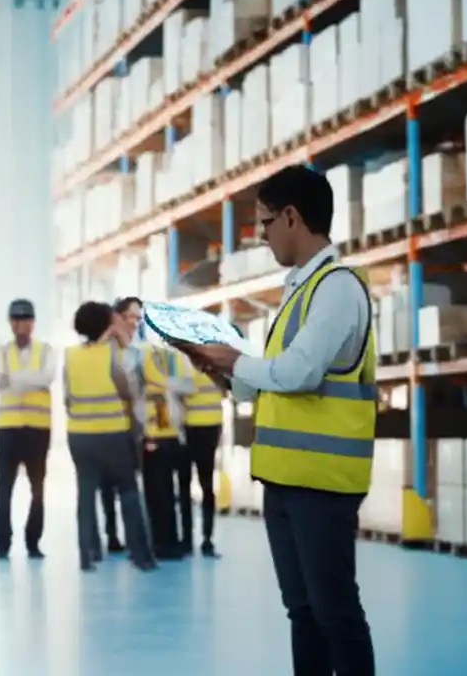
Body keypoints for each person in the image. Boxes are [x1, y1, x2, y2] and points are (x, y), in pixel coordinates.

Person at [178, 165, 376, 676]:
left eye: (265, 223)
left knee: (335, 613)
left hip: (323, 484)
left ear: (292, 217)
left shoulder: (336, 288)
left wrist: (233, 360)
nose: (262, 235)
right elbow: (267, 380)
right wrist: (219, 370)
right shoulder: (297, 289)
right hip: (285, 480)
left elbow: (300, 372)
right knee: (303, 612)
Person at [63, 301, 156, 573]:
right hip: (112, 435)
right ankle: (141, 557)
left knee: (85, 495)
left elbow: (67, 398)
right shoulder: (111, 355)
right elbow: (129, 388)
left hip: (79, 435)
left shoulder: (70, 356)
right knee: (128, 491)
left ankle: (86, 556)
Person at [0, 299, 55, 559]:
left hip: (38, 428)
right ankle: (2, 542)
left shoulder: (46, 350)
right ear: (10, 322)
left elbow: (46, 378)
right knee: (4, 488)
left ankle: (33, 541)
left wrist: (14, 380)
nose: (21, 324)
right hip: (8, 428)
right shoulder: (1, 351)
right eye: (16, 319)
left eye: (26, 319)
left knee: (37, 488)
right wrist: (31, 379)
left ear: (33, 322)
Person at [95, 296, 146, 554]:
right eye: (130, 317)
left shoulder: (137, 350)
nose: (135, 323)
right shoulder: (103, 348)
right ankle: (112, 534)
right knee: (106, 486)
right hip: (105, 425)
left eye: (138, 318)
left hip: (131, 427)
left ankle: (135, 537)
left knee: (129, 484)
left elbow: (138, 385)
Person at [139, 334, 195, 560]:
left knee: (159, 494)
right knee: (164, 494)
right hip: (167, 433)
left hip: (159, 434)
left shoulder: (145, 355)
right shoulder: (175, 359)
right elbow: (186, 386)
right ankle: (167, 542)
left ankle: (164, 544)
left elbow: (187, 386)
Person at [178, 351, 226, 557]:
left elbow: (178, 392)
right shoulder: (217, 366)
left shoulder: (182, 363)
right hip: (210, 427)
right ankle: (207, 540)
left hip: (190, 428)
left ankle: (188, 540)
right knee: (205, 485)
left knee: (186, 484)